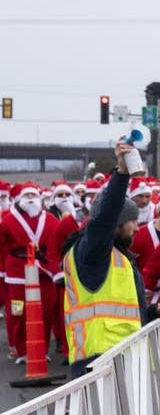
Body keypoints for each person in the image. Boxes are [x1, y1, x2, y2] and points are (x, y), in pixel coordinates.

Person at [59, 142, 149, 375]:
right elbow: (104, 218)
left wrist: (158, 310)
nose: (138, 228)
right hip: (99, 360)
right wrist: (121, 174)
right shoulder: (93, 251)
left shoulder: (117, 254)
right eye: (133, 221)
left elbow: (128, 310)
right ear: (116, 223)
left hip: (120, 355)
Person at [4, 181, 77, 364]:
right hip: (17, 272)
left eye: (33, 196)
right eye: (27, 196)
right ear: (19, 199)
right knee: (19, 312)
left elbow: (60, 243)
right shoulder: (8, 220)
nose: (30, 200)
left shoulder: (50, 219)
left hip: (44, 270)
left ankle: (41, 350)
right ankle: (21, 351)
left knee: (46, 312)